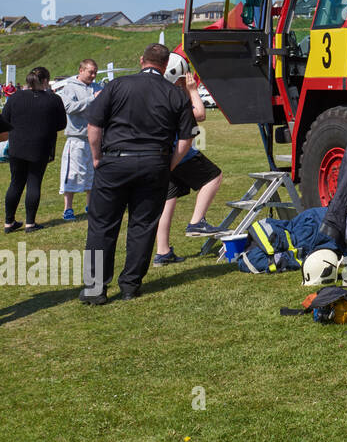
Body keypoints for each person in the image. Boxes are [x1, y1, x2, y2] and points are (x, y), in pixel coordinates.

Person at [80, 43, 197, 304]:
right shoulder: (175, 94)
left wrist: (97, 157)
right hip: (154, 163)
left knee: (102, 226)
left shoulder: (117, 85)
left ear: (141, 60)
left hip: (115, 161)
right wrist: (169, 164)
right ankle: (130, 285)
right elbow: (186, 139)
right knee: (143, 226)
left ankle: (95, 289)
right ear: (166, 66)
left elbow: (94, 125)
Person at [153, 68, 225, 265]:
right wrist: (192, 90)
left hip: (163, 154)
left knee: (168, 201)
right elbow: (200, 115)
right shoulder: (175, 96)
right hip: (182, 153)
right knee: (213, 177)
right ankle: (196, 222)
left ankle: (162, 251)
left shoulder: (157, 93)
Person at [0, 67, 67, 231]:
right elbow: (61, 124)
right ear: (45, 81)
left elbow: (5, 120)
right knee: (34, 182)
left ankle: (9, 222)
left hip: (17, 145)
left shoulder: (15, 97)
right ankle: (30, 222)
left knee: (15, 182)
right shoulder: (53, 99)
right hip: (40, 145)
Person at [59, 58, 102, 221]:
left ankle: (90, 205)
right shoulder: (69, 87)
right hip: (77, 138)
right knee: (72, 173)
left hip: (95, 137)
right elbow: (69, 108)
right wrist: (92, 99)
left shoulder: (98, 87)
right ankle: (68, 208)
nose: (93, 75)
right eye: (90, 72)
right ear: (81, 70)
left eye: (95, 72)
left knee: (93, 173)